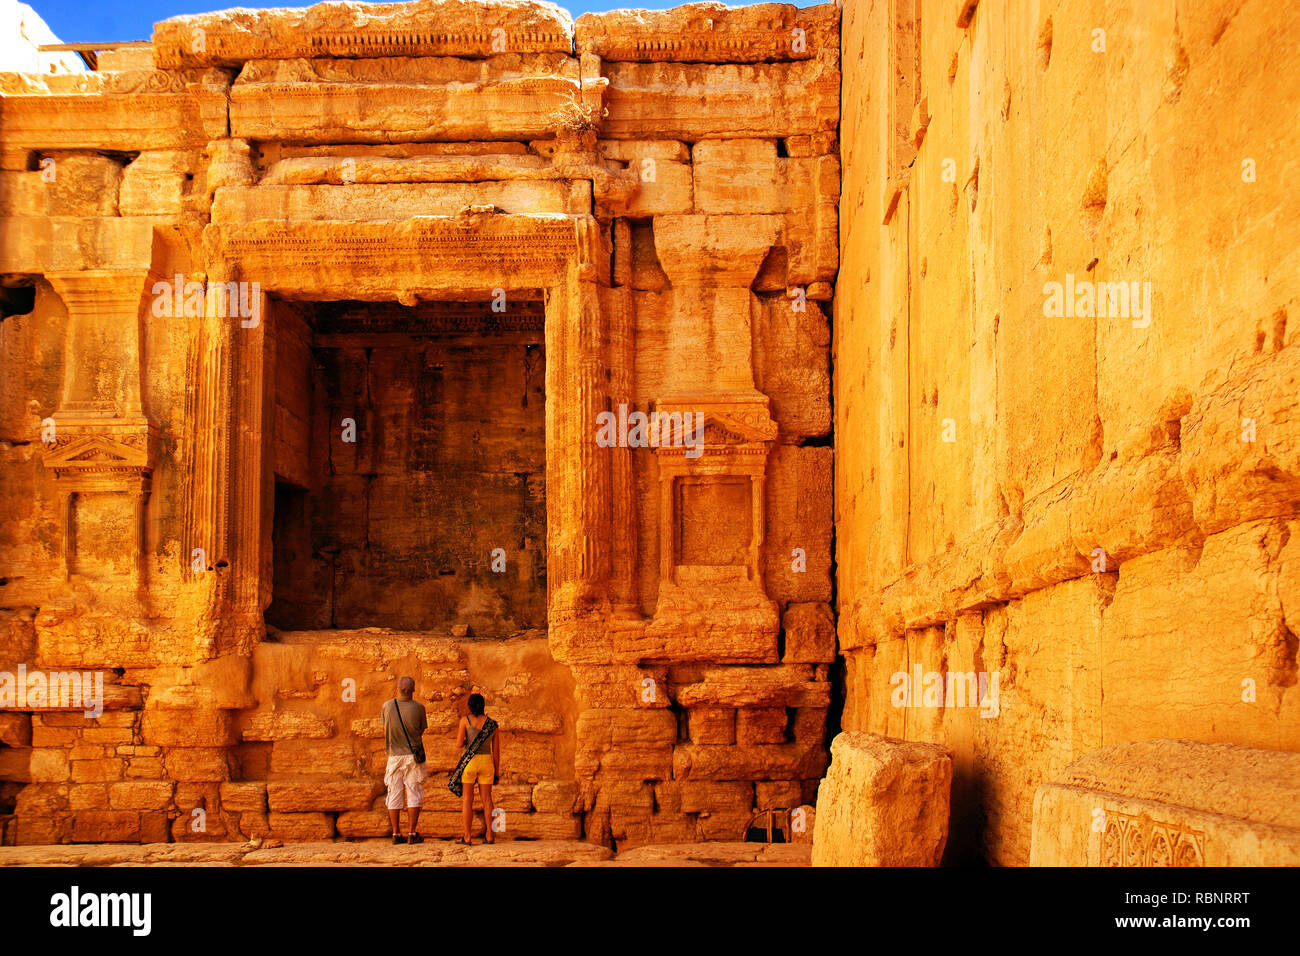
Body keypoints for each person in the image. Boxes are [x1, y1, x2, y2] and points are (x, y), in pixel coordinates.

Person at [381, 676, 427, 845]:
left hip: (394, 755)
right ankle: (412, 833)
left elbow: (385, 726)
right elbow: (421, 730)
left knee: (394, 792)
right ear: (413, 690)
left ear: (397, 688)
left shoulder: (387, 706)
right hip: (413, 756)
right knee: (414, 792)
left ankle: (395, 834)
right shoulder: (419, 708)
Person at [454, 693, 499, 845]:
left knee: (467, 800)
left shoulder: (465, 721)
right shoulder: (493, 725)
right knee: (487, 800)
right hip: (486, 761)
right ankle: (490, 835)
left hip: (470, 762)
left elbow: (459, 744)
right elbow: (496, 751)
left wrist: (468, 740)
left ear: (469, 706)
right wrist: (497, 772)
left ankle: (467, 836)